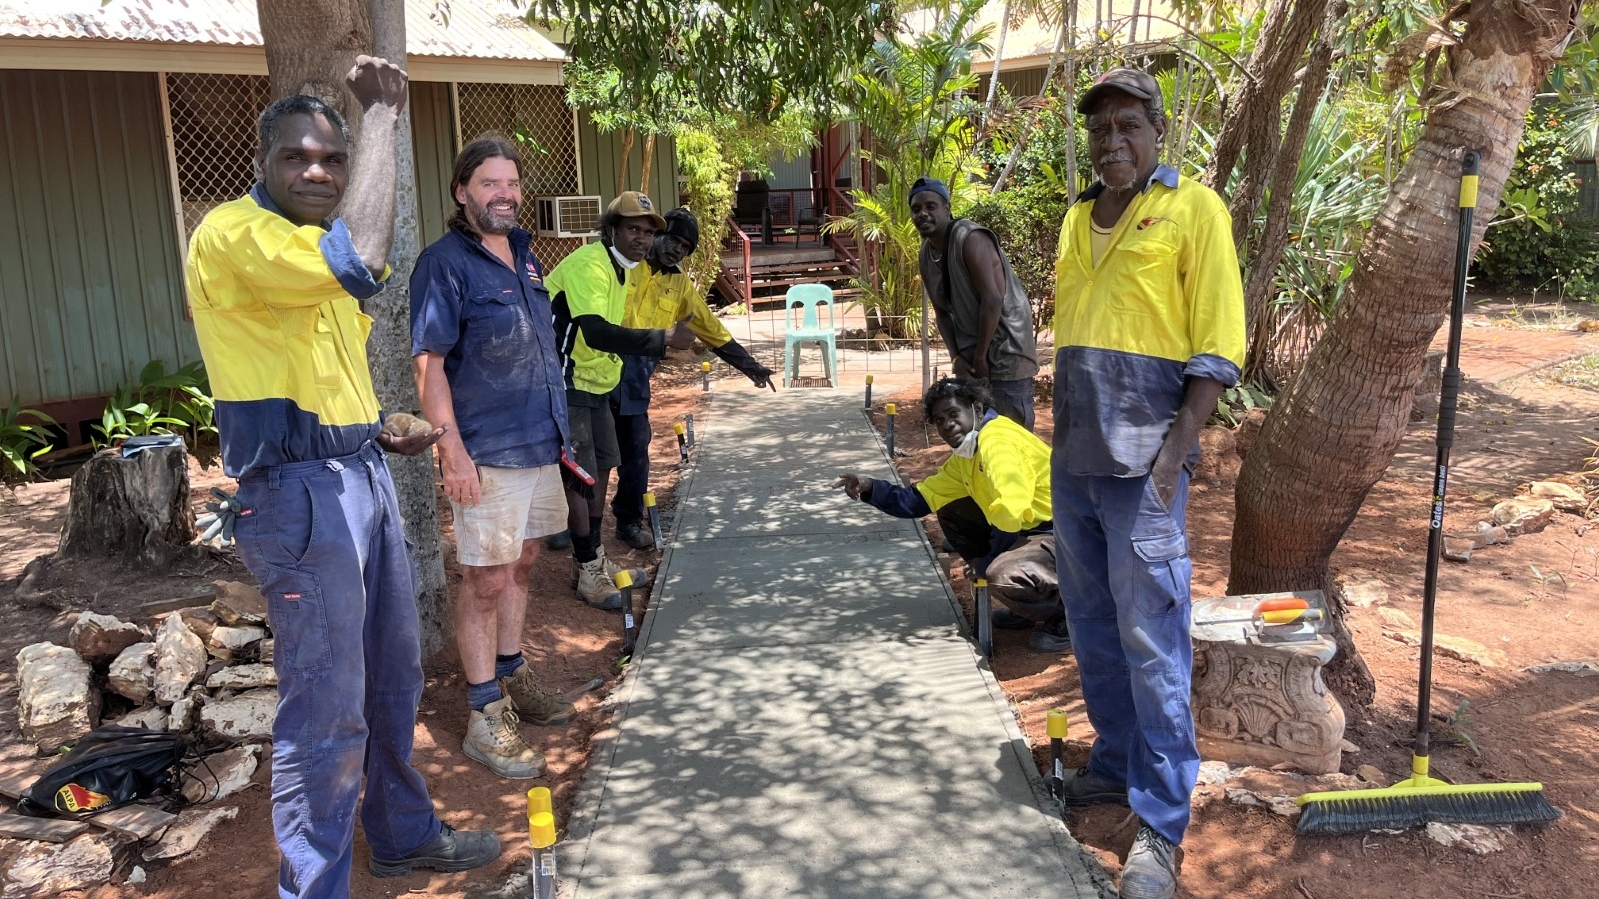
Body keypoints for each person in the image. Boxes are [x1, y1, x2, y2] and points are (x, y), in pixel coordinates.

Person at [184, 58, 499, 898]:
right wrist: (382, 116)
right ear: (263, 164)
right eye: (299, 157)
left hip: (359, 477)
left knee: (392, 681)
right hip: (297, 498)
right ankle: (313, 888)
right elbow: (359, 255)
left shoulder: (301, 253)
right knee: (325, 710)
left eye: (332, 158)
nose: (318, 171)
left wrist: (375, 426)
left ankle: (399, 834)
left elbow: (321, 359)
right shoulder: (234, 235)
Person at [1048, 67, 1246, 899]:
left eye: (1128, 126)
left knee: (1152, 640)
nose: (1112, 142)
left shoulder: (1193, 209)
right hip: (1075, 465)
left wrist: (1174, 455)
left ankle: (1161, 823)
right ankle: (1115, 762)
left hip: (1145, 468)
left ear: (1156, 131)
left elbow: (1217, 341)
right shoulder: (1071, 218)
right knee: (1093, 628)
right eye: (1099, 131)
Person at [410, 135, 578, 779]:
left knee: (525, 561)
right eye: (489, 184)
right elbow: (429, 366)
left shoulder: (527, 255)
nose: (504, 194)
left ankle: (513, 673)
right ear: (462, 192)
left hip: (540, 442)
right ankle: (484, 712)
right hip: (485, 453)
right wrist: (450, 451)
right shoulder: (444, 264)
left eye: (511, 183)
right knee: (484, 577)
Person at [833, 378, 1067, 652]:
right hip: (1028, 530)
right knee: (951, 507)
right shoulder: (967, 455)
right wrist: (872, 487)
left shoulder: (998, 443)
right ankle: (1026, 604)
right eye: (939, 420)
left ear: (976, 408)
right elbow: (918, 500)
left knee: (1001, 573)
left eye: (954, 414)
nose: (947, 425)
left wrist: (988, 561)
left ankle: (1065, 616)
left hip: (1062, 534)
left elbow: (1011, 510)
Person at [544, 192, 696, 606]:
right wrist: (663, 339)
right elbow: (595, 331)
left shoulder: (621, 270)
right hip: (566, 380)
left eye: (648, 232)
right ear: (611, 228)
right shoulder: (589, 265)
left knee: (606, 465)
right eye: (633, 229)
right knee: (582, 475)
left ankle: (590, 557)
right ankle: (588, 569)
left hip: (597, 382)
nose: (642, 240)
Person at [610, 207, 776, 549]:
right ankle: (569, 523)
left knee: (636, 449)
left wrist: (751, 367)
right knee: (584, 449)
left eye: (685, 247)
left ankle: (628, 521)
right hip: (594, 368)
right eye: (673, 240)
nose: (677, 250)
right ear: (657, 235)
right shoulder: (624, 265)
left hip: (635, 378)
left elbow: (711, 330)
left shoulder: (679, 285)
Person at [911, 176, 1040, 430]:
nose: (923, 214)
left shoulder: (969, 237)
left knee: (1012, 440)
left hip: (1006, 352)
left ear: (947, 208)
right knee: (978, 440)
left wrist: (981, 356)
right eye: (916, 209)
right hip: (972, 359)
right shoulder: (926, 255)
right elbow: (942, 314)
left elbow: (992, 299)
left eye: (930, 206)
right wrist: (957, 357)